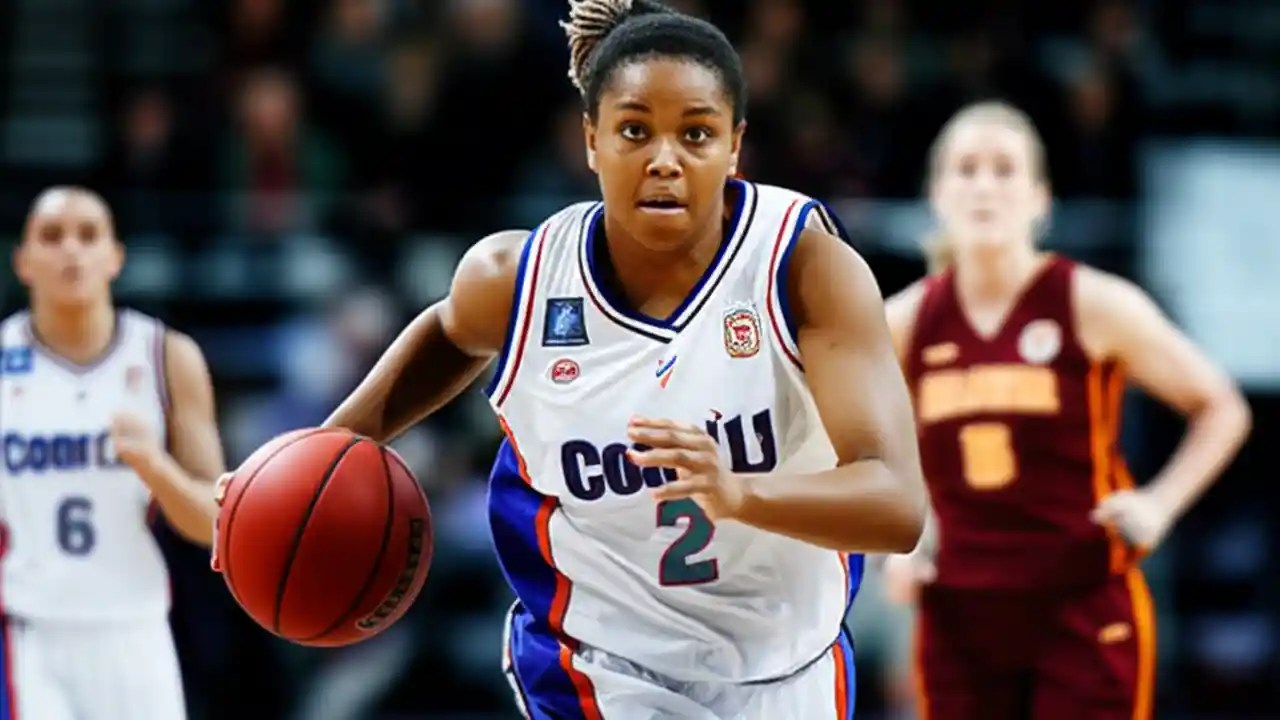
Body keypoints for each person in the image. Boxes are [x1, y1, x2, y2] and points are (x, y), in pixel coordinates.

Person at [214, 1, 927, 716]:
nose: (665, 160)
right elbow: (451, 331)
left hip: (790, 670)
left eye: (698, 134)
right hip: (597, 670)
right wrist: (321, 449)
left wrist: (741, 496)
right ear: (591, 140)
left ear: (735, 146)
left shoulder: (803, 268)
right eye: (634, 130)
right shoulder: (518, 279)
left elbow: (895, 505)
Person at [882, 101, 1252, 720]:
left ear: (1041, 199)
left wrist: (1159, 505)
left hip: (1080, 606)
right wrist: (904, 533)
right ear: (937, 194)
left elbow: (1221, 407)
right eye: (967, 169)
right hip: (960, 614)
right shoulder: (905, 321)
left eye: (1005, 170)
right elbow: (864, 438)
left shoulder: (1094, 303)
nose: (985, 186)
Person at [0, 187, 226, 719]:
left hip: (136, 628)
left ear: (115, 256)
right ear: (24, 261)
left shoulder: (166, 356)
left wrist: (155, 466)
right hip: (29, 630)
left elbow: (218, 524)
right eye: (52, 237)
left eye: (88, 235)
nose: (71, 250)